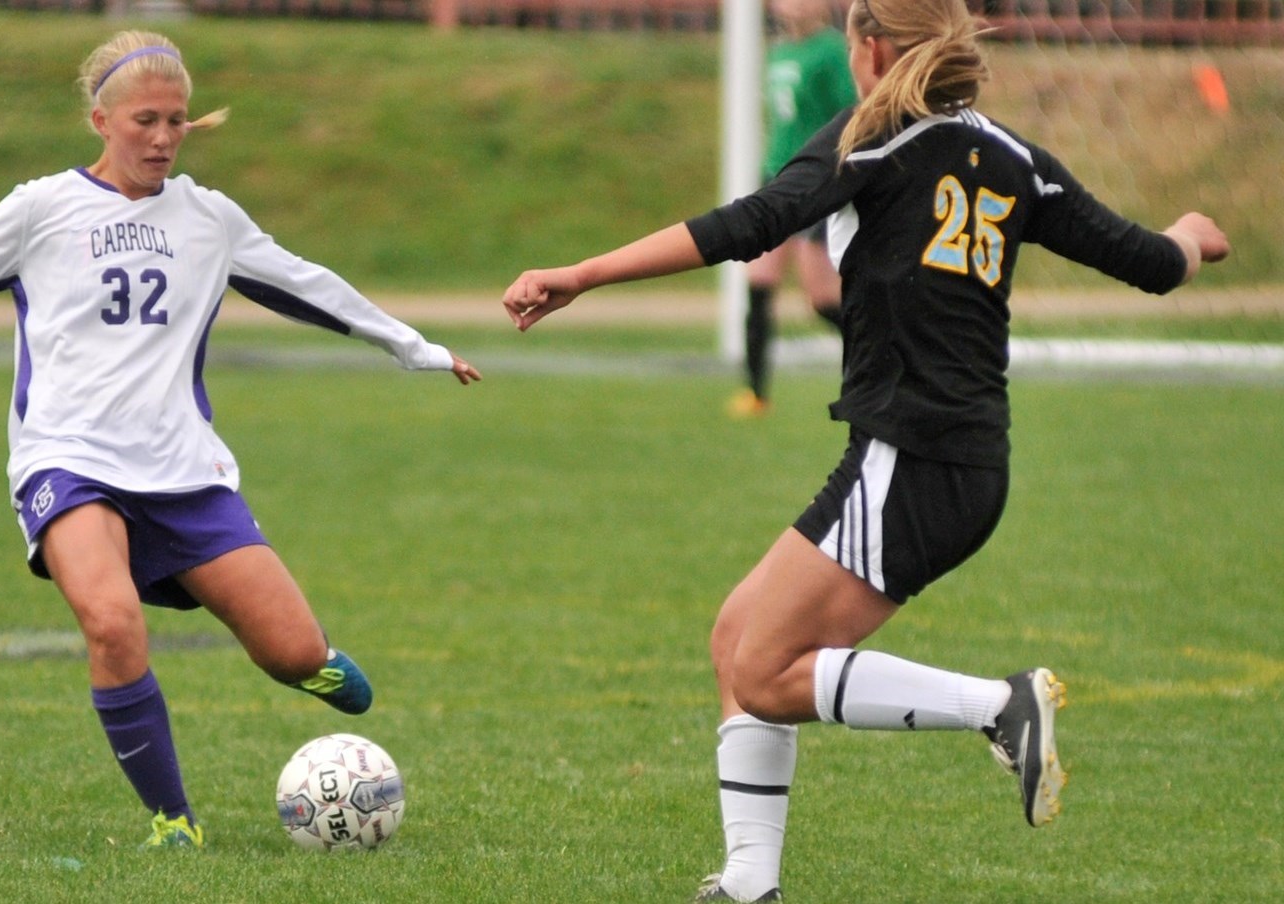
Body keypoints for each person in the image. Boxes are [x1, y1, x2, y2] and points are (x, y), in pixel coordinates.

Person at [502, 0, 1228, 897]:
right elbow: (1150, 262)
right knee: (739, 638)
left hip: (912, 460)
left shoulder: (871, 135)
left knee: (763, 672)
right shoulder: (1012, 159)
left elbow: (750, 222)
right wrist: (1192, 238)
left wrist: (582, 273)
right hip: (953, 461)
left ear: (869, 47)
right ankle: (748, 882)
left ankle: (998, 708)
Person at [0, 30, 480, 850]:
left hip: (184, 469)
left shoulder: (209, 219)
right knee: (113, 622)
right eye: (145, 121)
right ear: (101, 120)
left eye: (178, 122)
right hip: (67, 460)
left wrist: (417, 348)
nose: (163, 138)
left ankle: (312, 664)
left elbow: (309, 286)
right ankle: (174, 821)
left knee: (290, 648)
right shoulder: (39, 209)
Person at [731, 0, 856, 418]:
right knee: (759, 281)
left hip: (815, 182)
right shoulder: (780, 52)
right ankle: (755, 393)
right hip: (774, 179)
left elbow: (848, 113)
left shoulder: (832, 51)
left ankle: (884, 363)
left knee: (822, 298)